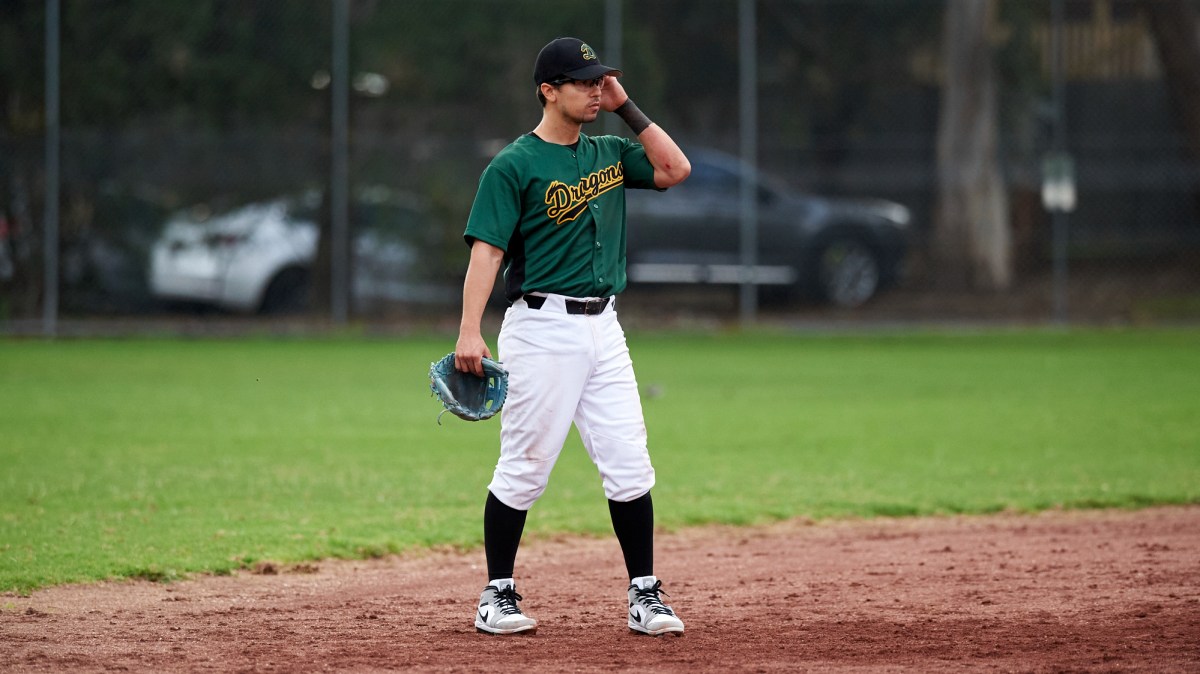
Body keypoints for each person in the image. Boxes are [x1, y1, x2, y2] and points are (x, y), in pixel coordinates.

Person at [454, 37, 691, 637]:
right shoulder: (514, 165)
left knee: (629, 461)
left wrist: (627, 105)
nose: (594, 89)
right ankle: (495, 595)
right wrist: (469, 332)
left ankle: (644, 593)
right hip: (541, 329)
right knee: (525, 466)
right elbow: (487, 252)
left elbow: (674, 169)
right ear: (548, 90)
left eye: (598, 80)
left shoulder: (610, 152)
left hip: (605, 328)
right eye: (583, 82)